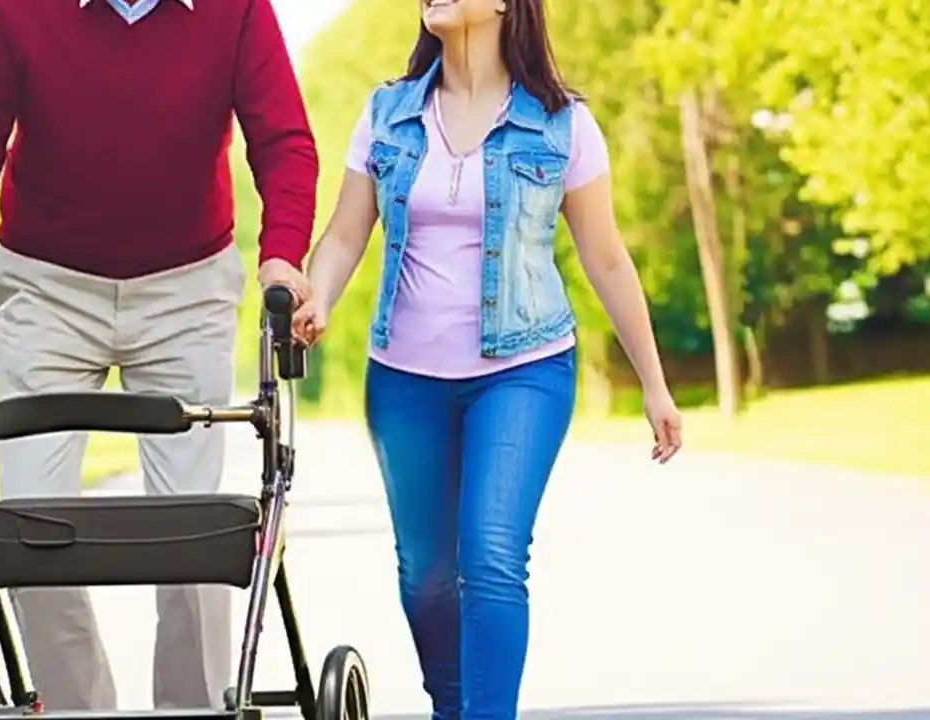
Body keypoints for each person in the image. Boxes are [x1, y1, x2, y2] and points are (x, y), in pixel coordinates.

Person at [291, 0, 683, 717]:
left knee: (492, 556)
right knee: (427, 577)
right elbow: (346, 233)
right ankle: (453, 707)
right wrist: (318, 297)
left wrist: (655, 385)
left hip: (524, 370)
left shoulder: (562, 124)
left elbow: (607, 259)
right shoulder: (387, 114)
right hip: (405, 377)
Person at [0, 0, 317, 711]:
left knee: (194, 528)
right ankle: (80, 709)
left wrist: (282, 259)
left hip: (186, 288)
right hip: (46, 287)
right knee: (27, 526)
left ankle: (190, 709)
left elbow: (284, 141)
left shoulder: (235, 11)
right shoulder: (19, 9)